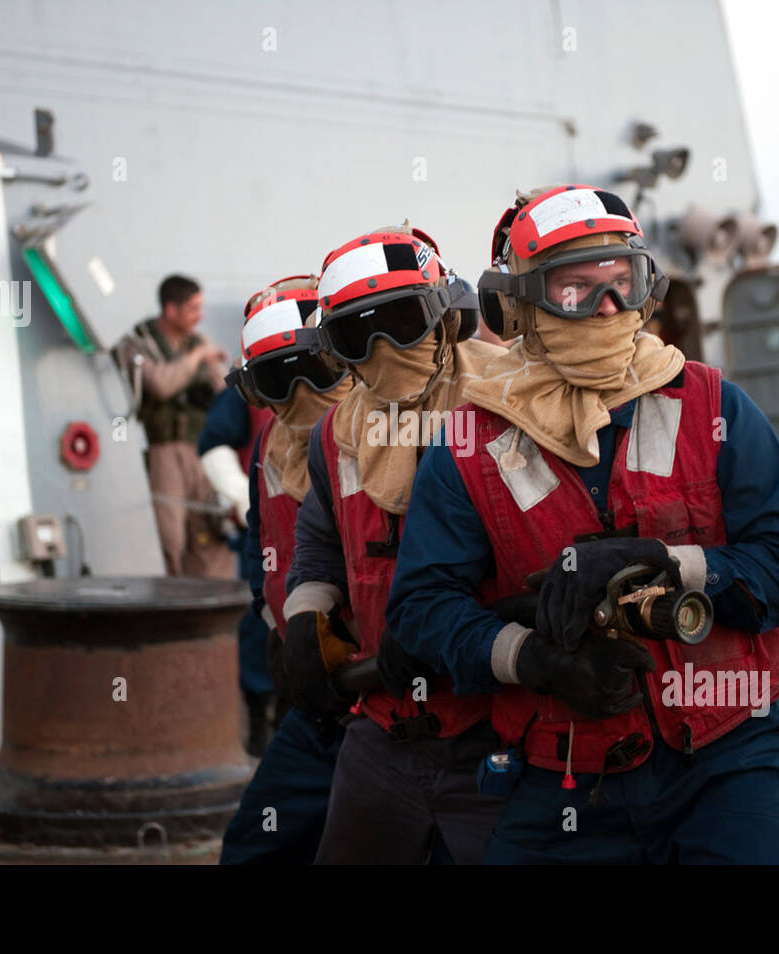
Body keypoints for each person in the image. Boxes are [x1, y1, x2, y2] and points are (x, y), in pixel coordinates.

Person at [385, 185, 779, 864]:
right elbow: (421, 608)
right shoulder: (467, 446)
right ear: (520, 304)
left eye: (621, 284)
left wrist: (669, 562)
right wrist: (533, 659)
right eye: (576, 290)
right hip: (566, 772)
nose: (606, 308)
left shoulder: (714, 405)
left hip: (730, 758)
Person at [283, 225, 507, 864]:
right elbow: (320, 545)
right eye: (360, 333)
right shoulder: (335, 435)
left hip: (498, 720)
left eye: (403, 321)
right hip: (383, 726)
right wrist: (305, 618)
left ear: (446, 317)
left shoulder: (516, 399)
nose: (385, 348)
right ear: (337, 352)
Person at [218, 276, 353, 863]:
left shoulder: (389, 438)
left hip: (384, 697)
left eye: (314, 370)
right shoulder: (268, 448)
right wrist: (275, 623)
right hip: (313, 705)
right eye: (279, 376)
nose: (299, 391)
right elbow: (261, 544)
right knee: (257, 844)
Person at [113, 275, 233, 578]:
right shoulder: (137, 344)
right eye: (193, 309)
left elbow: (222, 389)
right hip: (165, 453)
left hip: (202, 449)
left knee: (210, 529)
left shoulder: (198, 342)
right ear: (171, 310)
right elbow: (161, 385)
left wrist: (210, 363)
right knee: (171, 537)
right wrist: (196, 358)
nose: (199, 316)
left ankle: (216, 612)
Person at [199, 380, 277, 755]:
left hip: (327, 522)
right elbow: (214, 446)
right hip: (265, 531)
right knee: (259, 619)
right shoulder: (249, 384)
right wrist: (248, 499)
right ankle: (260, 714)